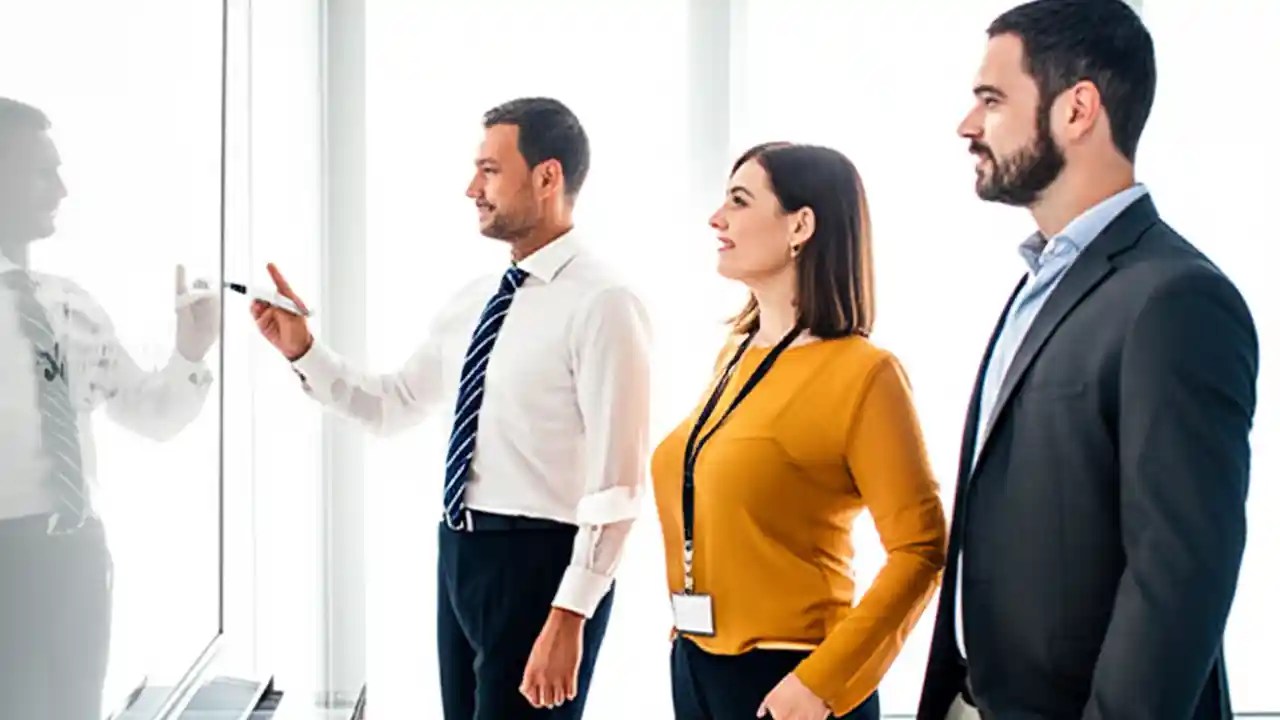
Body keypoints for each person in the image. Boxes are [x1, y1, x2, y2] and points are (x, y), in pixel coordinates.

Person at [252, 97, 651, 720]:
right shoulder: (477, 300)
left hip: (540, 564)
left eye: (490, 170)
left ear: (547, 177)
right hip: (462, 552)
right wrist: (304, 350)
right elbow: (394, 405)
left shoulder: (604, 302)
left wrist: (572, 610)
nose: (472, 188)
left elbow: (618, 484)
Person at [917, 2, 1260, 718]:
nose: (967, 125)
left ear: (1077, 110)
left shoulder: (1177, 299)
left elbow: (1179, 576)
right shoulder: (1036, 285)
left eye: (991, 99)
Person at [650, 142, 947, 720]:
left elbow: (921, 549)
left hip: (790, 683)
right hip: (698, 664)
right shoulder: (735, 356)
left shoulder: (864, 374)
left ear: (801, 225)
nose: (717, 218)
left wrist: (821, 683)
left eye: (739, 200)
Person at [0, 97, 220, 719]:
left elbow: (150, 416)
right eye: (41, 172)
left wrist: (189, 352)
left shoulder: (69, 304)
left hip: (72, 557)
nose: (62, 189)